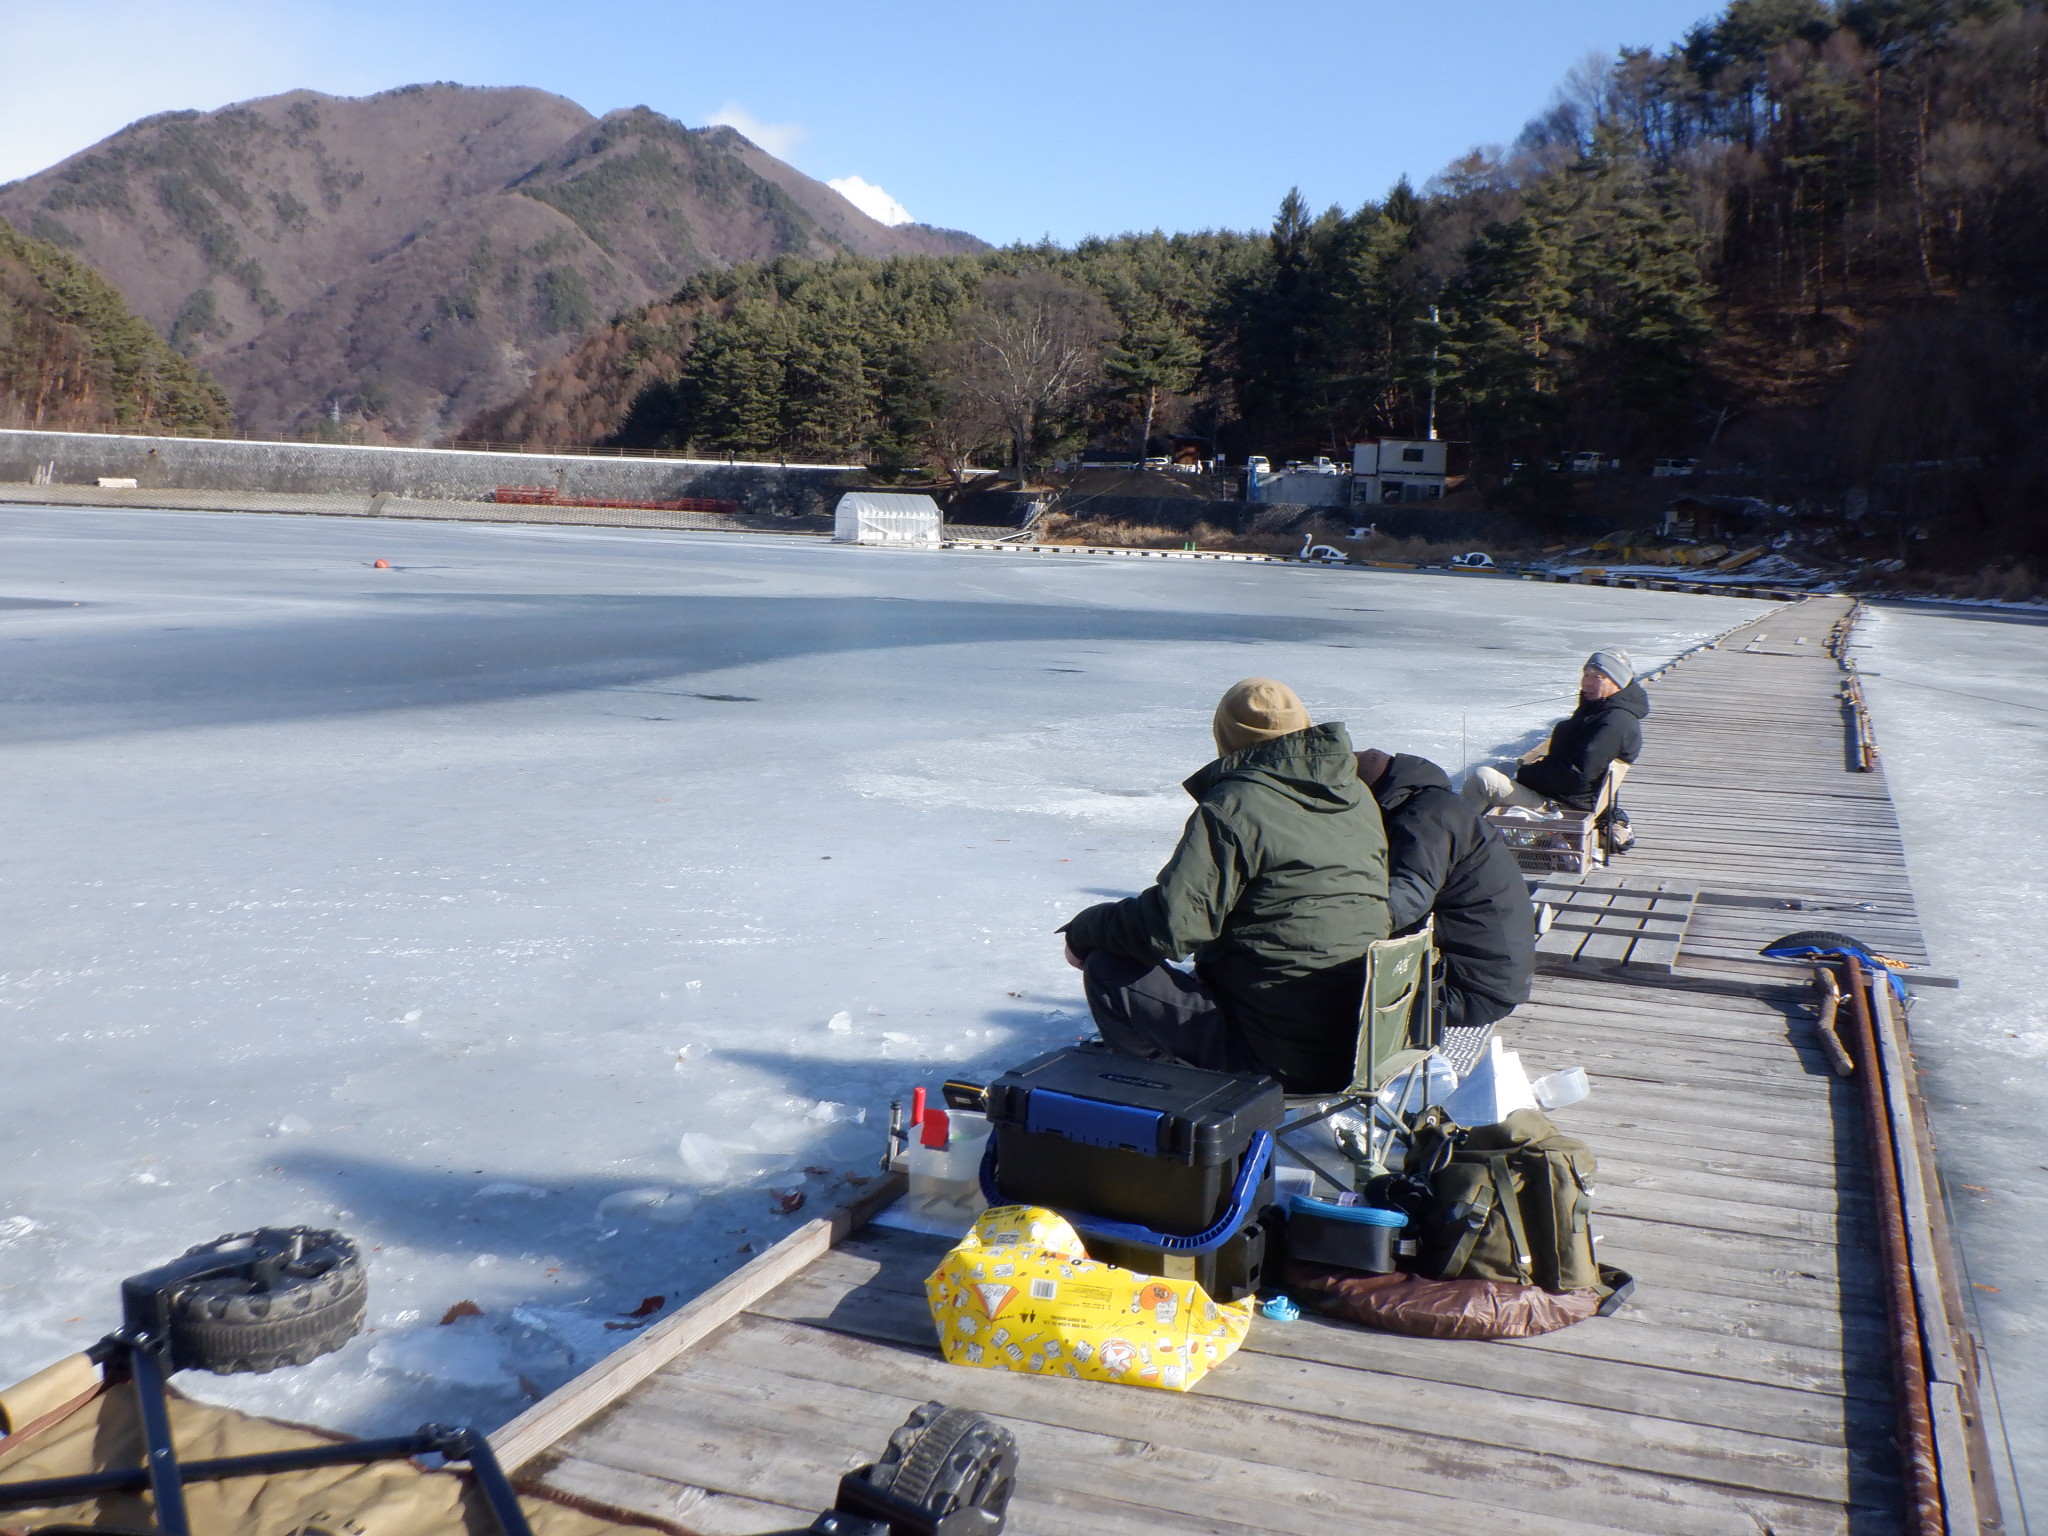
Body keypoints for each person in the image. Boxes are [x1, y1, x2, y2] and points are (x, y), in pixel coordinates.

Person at [1059, 678, 1390, 1094]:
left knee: (1109, 967)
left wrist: (1085, 929)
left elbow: (1171, 928)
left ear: (1226, 738)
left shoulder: (1236, 804)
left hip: (1279, 1057)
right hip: (1363, 1044)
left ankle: (1152, 1094)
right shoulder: (1355, 795)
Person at [1355, 748, 1534, 1031]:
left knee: (1322, 993)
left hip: (1469, 992)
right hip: (1494, 979)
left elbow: (1406, 899)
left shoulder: (1425, 821)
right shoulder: (1437, 806)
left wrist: (1336, 926)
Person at [1461, 648, 1648, 815]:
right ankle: (1478, 837)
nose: (1587, 684)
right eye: (1586, 675)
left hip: (1565, 806)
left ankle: (1455, 841)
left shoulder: (1614, 722)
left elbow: (1576, 776)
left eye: (1597, 677)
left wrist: (1526, 774)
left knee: (1483, 779)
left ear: (1617, 682)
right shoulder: (1600, 710)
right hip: (1563, 793)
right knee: (1502, 769)